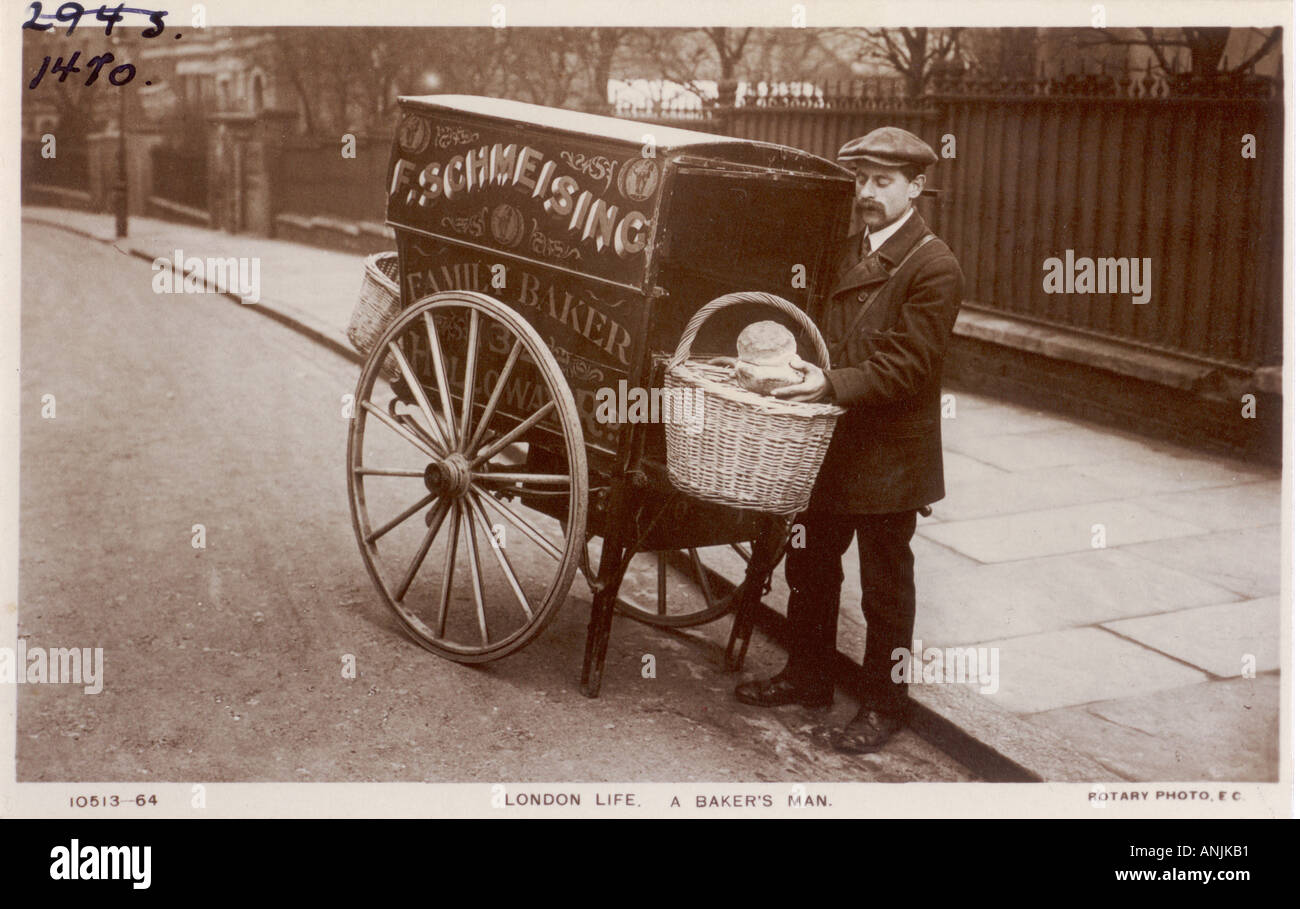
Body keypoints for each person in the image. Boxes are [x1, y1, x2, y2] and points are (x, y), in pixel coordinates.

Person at [733, 126, 964, 754]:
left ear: (916, 187)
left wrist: (830, 382)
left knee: (885, 586)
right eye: (861, 180)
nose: (867, 192)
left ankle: (883, 704)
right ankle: (807, 677)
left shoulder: (934, 265)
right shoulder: (847, 248)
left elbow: (909, 367)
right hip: (830, 438)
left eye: (882, 181)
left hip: (889, 453)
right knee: (811, 565)